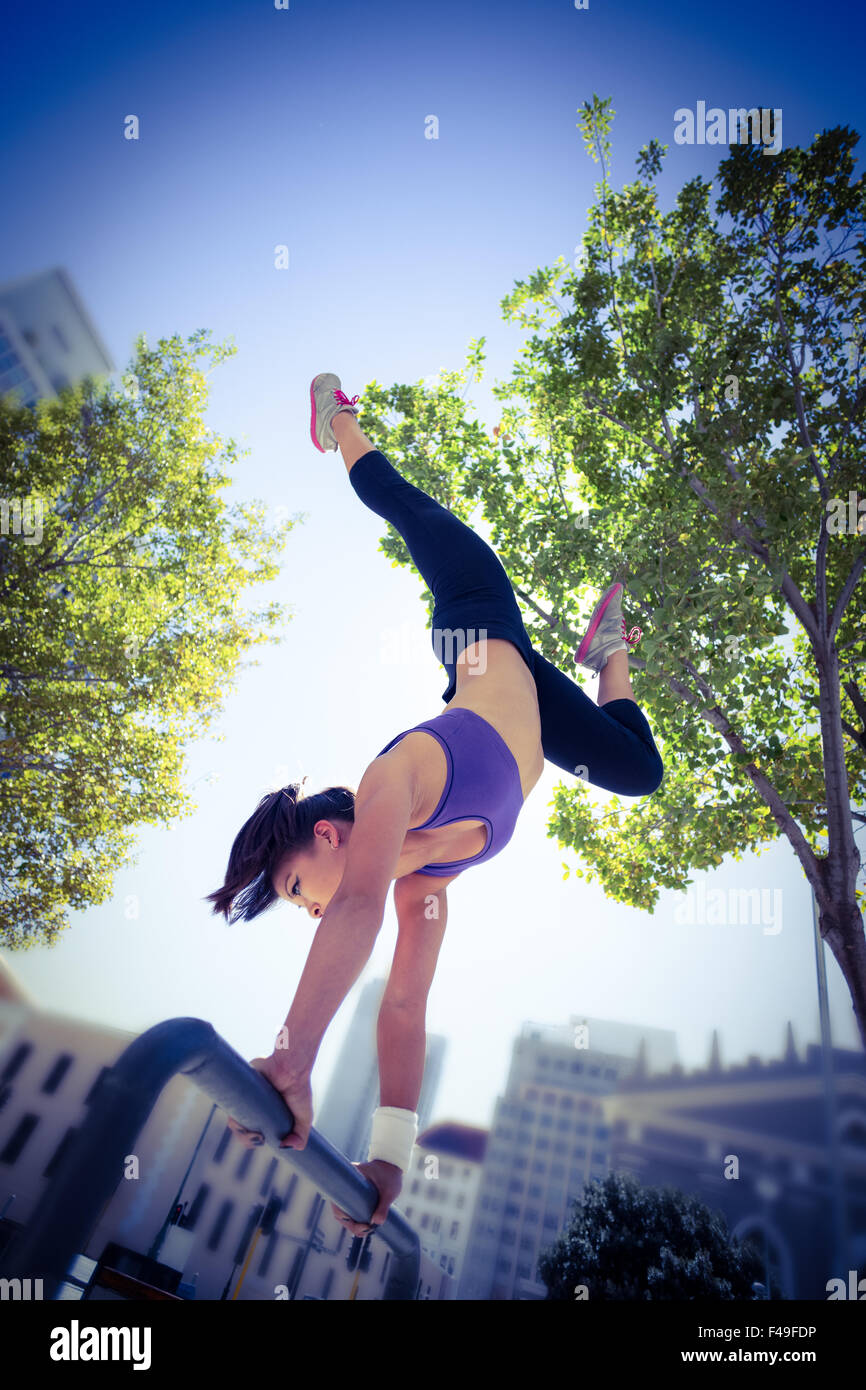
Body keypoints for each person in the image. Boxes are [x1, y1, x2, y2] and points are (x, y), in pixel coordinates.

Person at [205, 373, 664, 1239]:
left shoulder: (392, 779)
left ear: (329, 834)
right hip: (537, 694)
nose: (312, 910)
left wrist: (292, 1056)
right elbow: (406, 1004)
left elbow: (355, 904)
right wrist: (390, 1149)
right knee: (639, 773)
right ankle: (608, 651)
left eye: (301, 889)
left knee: (401, 503)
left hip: (475, 618)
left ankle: (335, 415)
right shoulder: (424, 884)